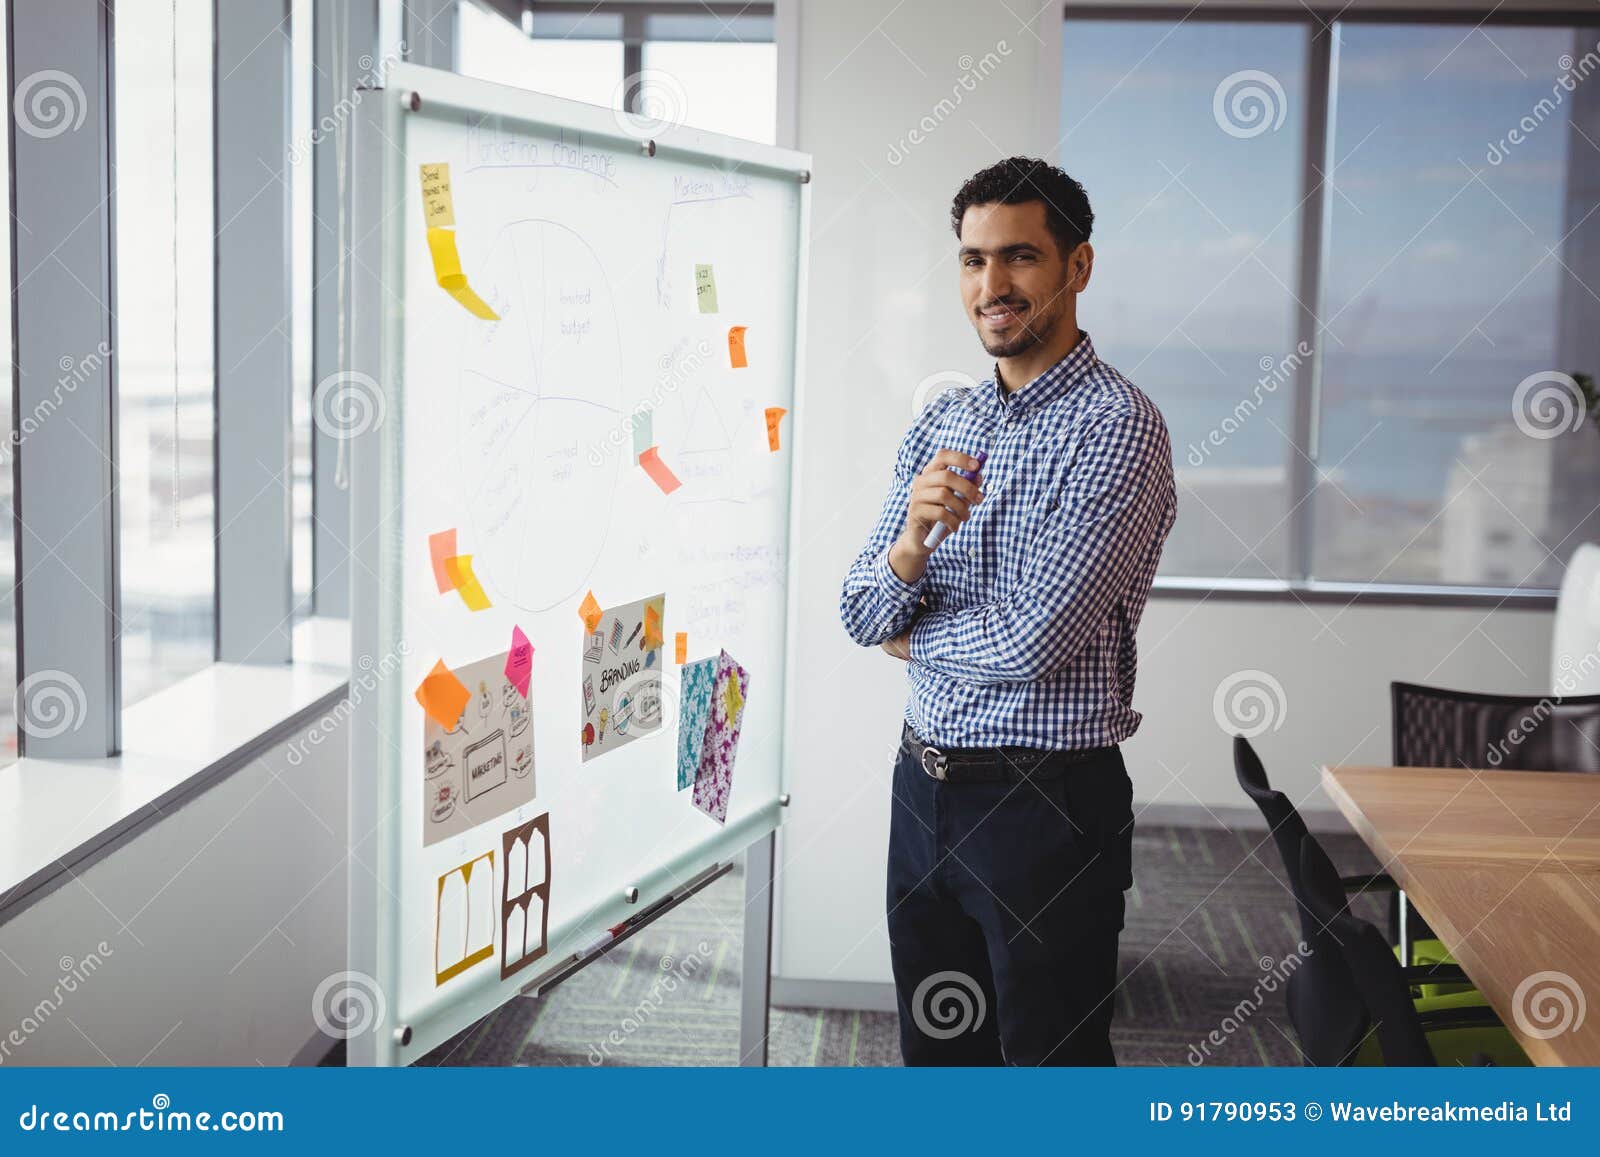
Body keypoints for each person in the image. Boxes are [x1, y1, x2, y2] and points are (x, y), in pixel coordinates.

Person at [838, 156, 1176, 1066]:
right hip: (923, 791)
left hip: (1044, 806)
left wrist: (914, 635)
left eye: (1019, 257)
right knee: (939, 1054)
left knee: (1048, 1064)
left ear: (1078, 266)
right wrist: (910, 545)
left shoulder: (1117, 427)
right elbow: (860, 609)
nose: (992, 286)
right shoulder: (945, 420)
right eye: (972, 259)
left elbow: (1035, 638)